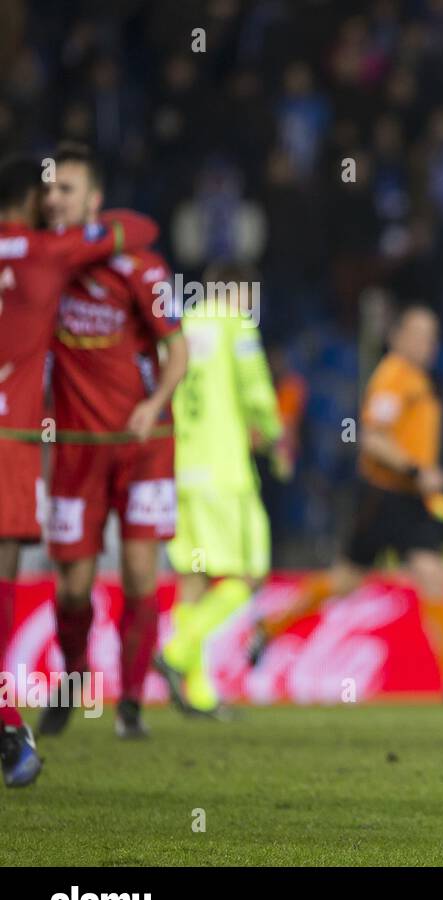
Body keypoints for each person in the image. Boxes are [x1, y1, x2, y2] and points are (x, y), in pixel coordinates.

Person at [0, 153, 158, 782]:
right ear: (33, 201)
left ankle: (90, 707)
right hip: (13, 440)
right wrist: (86, 225)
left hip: (100, 442)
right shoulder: (50, 252)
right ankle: (10, 726)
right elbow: (140, 228)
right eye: (49, 193)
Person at [250, 305, 443, 705]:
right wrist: (417, 470)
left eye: (431, 335)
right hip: (384, 496)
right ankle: (269, 627)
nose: (427, 344)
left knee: (427, 575)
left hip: (408, 498)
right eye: (417, 334)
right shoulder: (394, 377)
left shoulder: (414, 378)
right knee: (348, 580)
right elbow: (373, 438)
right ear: (396, 336)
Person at [39, 143, 188, 740]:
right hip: (75, 446)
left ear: (94, 200)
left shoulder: (140, 267)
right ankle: (74, 682)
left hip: (143, 445)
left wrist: (152, 407)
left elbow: (177, 351)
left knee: (138, 575)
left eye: (67, 189)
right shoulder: (44, 263)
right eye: (50, 190)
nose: (55, 199)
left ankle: (130, 704)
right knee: (72, 585)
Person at [155, 263, 280, 717]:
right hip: (225, 474)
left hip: (181, 471)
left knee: (194, 581)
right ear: (238, 292)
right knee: (246, 576)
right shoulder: (236, 324)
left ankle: (197, 692)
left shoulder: (181, 326)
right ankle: (175, 652)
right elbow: (257, 392)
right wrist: (271, 430)